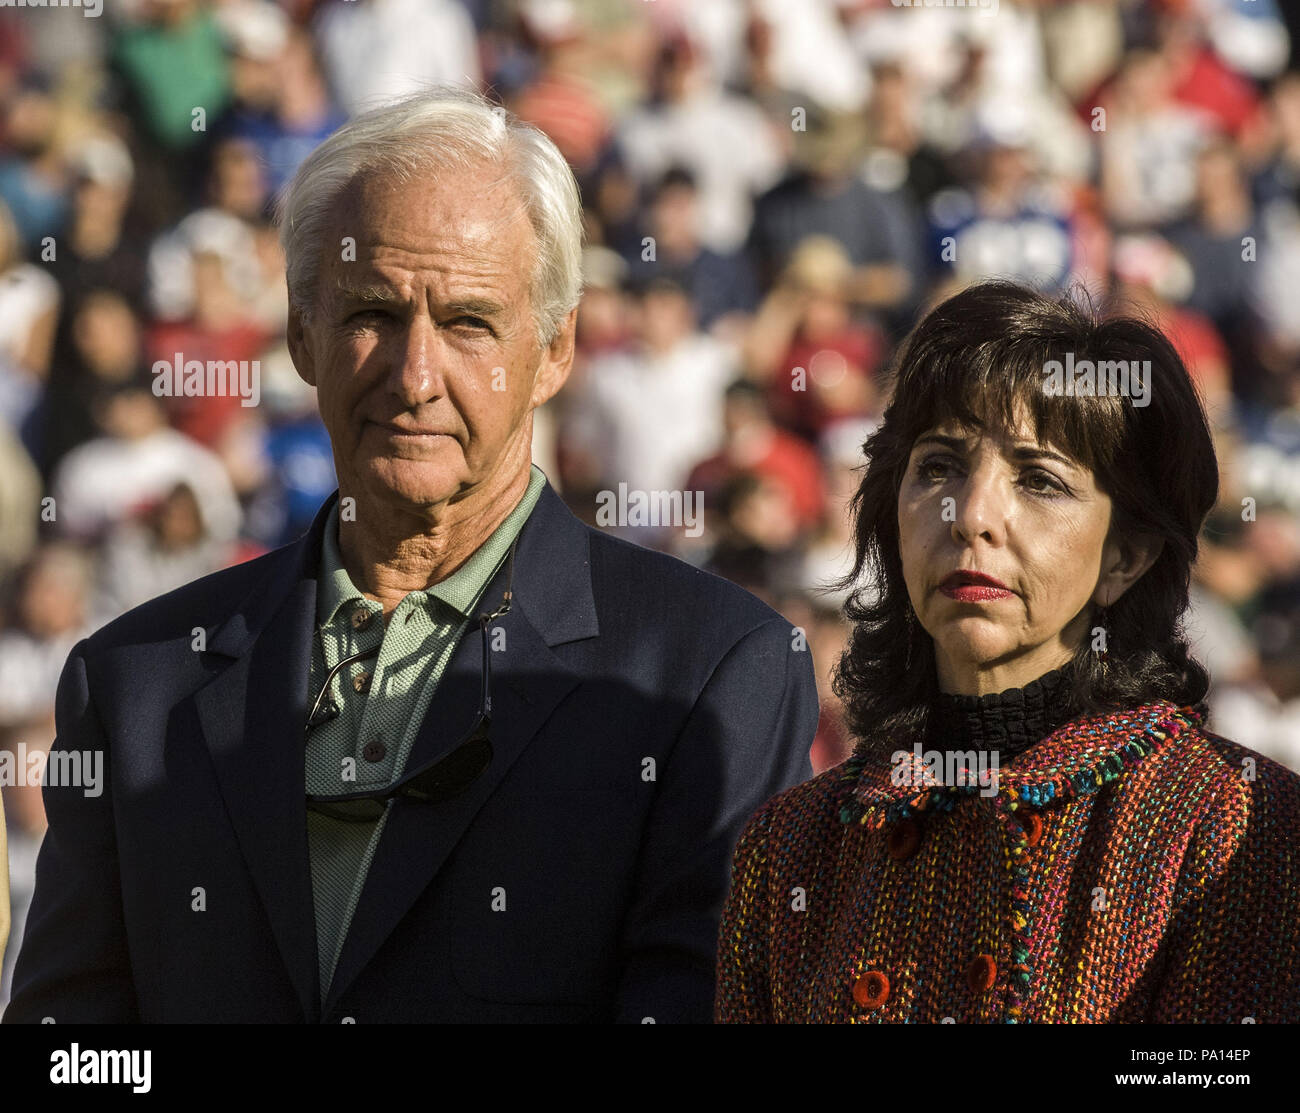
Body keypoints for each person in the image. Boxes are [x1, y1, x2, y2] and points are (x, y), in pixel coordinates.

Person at [5, 87, 816, 1024]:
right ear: (303, 336)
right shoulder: (132, 685)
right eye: (372, 315)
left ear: (555, 351)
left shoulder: (710, 674)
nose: (416, 375)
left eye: (469, 321)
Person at [716, 279, 1300, 1023]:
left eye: (1040, 480)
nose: (973, 515)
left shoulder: (1233, 827)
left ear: (1127, 555)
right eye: (937, 467)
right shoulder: (790, 851)